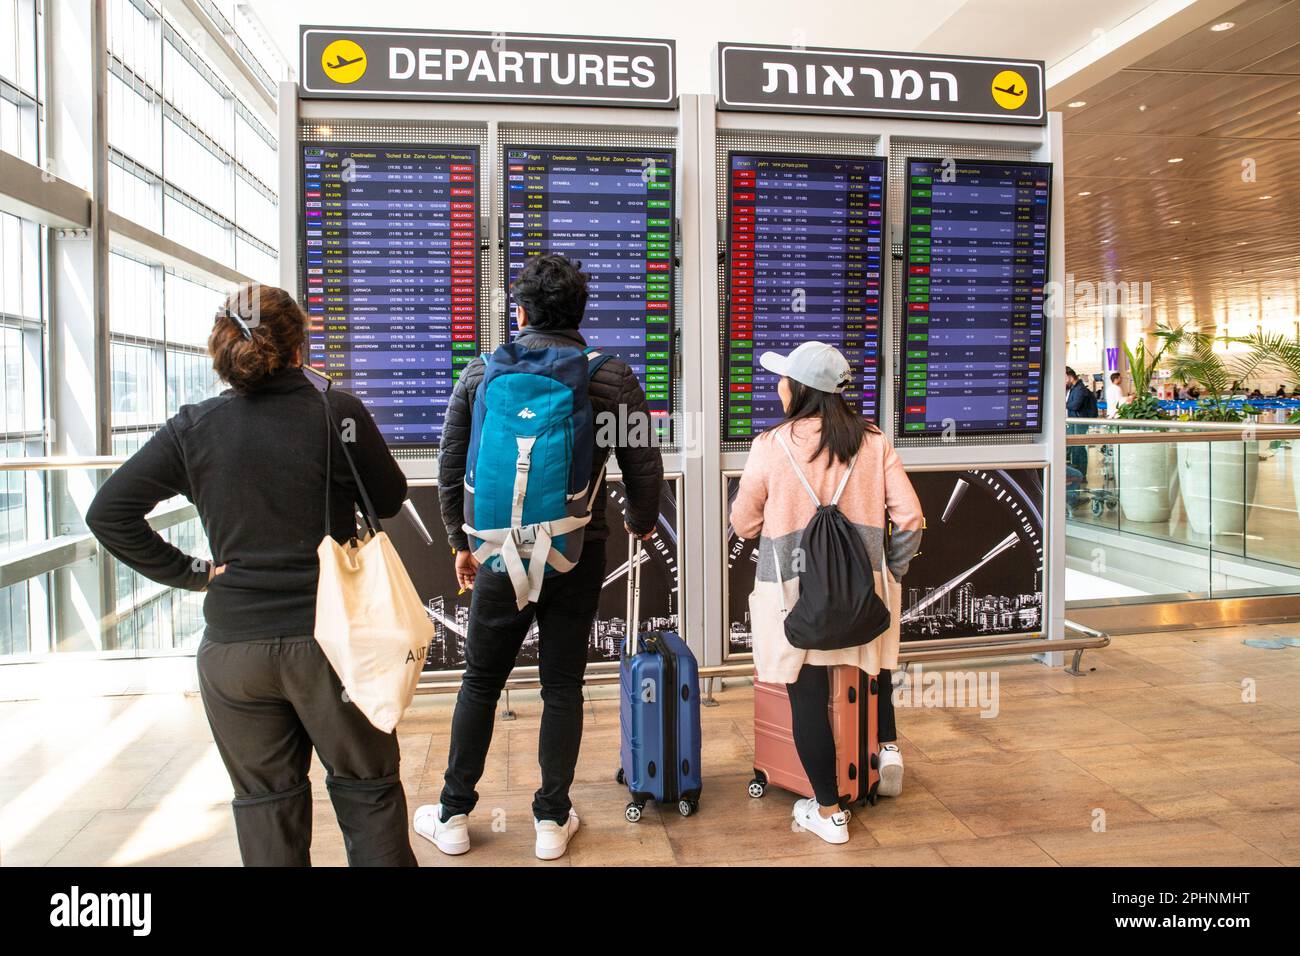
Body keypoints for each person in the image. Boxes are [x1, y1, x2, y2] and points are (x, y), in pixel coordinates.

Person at [86, 284, 416, 867]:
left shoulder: (193, 426)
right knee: (367, 790)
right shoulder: (336, 412)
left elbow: (108, 512)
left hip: (234, 652)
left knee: (265, 805)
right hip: (332, 643)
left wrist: (193, 573)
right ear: (298, 347)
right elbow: (387, 498)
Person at [419, 253, 664, 861]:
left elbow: (451, 465)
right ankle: (552, 821)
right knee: (562, 683)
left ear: (521, 312)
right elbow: (643, 464)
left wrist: (460, 541)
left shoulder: (480, 374)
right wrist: (636, 521)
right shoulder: (607, 376)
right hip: (577, 547)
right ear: (580, 316)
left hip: (498, 551)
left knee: (480, 680)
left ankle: (452, 814)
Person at [730, 342, 923, 845]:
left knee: (807, 699)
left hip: (791, 596)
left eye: (783, 379)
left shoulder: (770, 445)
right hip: (863, 588)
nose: (777, 386)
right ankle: (887, 750)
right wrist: (890, 570)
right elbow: (910, 518)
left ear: (799, 390)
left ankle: (830, 810)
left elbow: (744, 523)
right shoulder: (874, 441)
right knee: (871, 667)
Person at [1065, 367, 1097, 474]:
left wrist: (1063, 404)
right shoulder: (1074, 389)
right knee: (1075, 448)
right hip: (1074, 423)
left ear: (1069, 376)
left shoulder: (1080, 389)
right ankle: (1078, 473)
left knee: (1079, 448)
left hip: (1079, 423)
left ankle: (1082, 474)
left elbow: (1074, 406)